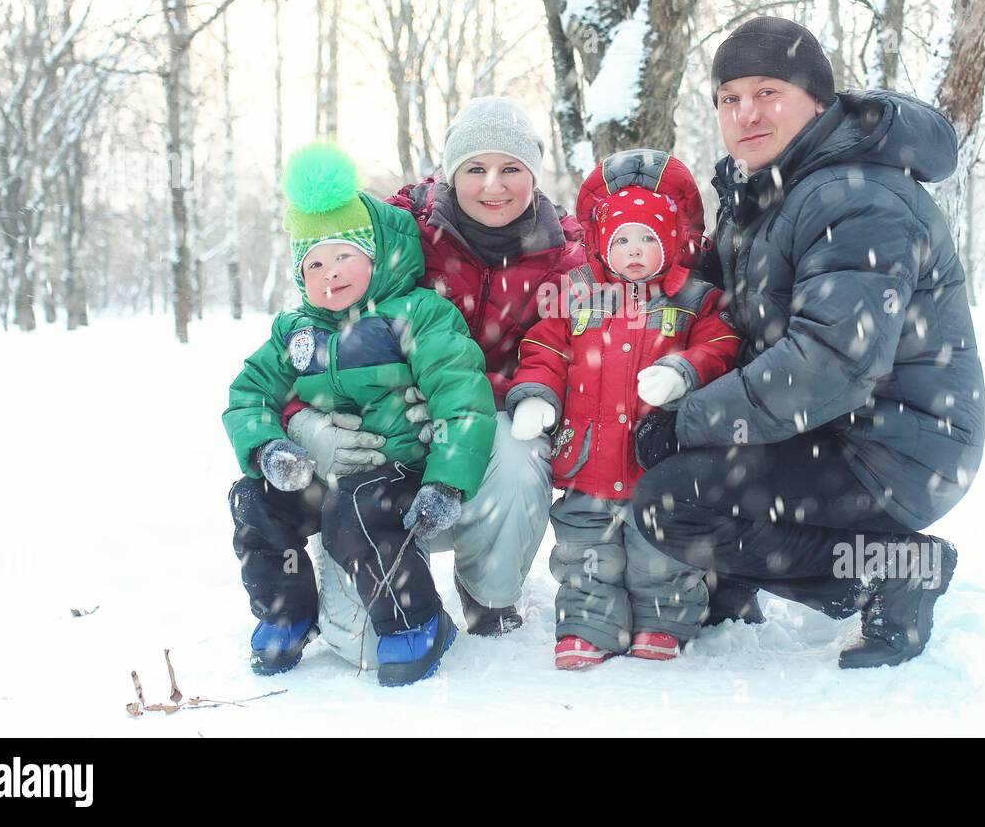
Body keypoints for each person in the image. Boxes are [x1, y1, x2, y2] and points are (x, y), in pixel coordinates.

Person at [630, 15, 985, 668]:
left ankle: (896, 568)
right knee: (675, 461)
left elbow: (832, 363)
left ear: (818, 101)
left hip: (894, 448)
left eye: (768, 92)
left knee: (673, 501)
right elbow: (714, 304)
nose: (746, 113)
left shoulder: (860, 196)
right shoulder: (763, 197)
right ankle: (734, 584)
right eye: (729, 98)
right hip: (834, 429)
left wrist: (691, 422)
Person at [284, 97, 585, 659]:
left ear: (533, 175)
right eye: (475, 168)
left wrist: (460, 404)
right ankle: (370, 566)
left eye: (511, 168)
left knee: (519, 452)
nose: (492, 185)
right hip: (379, 428)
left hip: (483, 425)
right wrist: (302, 421)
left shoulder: (563, 257)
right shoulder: (401, 230)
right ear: (451, 173)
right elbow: (311, 328)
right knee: (358, 646)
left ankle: (488, 595)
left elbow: (559, 357)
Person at [223, 142, 495, 686]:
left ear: (376, 255)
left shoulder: (417, 313)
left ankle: (417, 620)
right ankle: (288, 610)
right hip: (322, 471)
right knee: (252, 499)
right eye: (315, 263)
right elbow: (249, 393)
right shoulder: (295, 331)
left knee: (359, 507)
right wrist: (268, 447)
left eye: (344, 255)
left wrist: (446, 481)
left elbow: (461, 396)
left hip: (395, 468)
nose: (330, 273)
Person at [506, 150, 741, 668]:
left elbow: (721, 345)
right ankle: (589, 622)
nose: (634, 252)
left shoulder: (696, 300)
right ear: (601, 244)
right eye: (622, 240)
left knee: (659, 547)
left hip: (658, 461)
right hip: (590, 458)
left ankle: (664, 617)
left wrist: (685, 370)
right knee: (586, 549)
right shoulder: (575, 295)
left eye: (648, 239)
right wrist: (536, 397)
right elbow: (544, 351)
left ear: (673, 241)